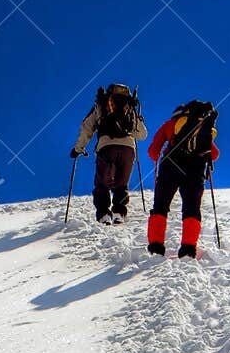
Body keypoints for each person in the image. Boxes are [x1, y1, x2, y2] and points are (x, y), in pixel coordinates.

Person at [145, 100, 218, 258]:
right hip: (195, 170)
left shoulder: (171, 124)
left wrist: (159, 154)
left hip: (170, 166)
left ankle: (156, 246)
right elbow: (214, 154)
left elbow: (152, 151)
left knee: (161, 205)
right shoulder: (201, 126)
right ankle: (188, 248)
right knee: (192, 208)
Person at [71, 84, 147, 224]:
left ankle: (104, 215)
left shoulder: (101, 104)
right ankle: (119, 213)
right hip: (128, 149)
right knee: (121, 184)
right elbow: (142, 135)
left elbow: (86, 128)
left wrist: (78, 149)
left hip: (106, 146)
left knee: (102, 183)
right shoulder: (130, 107)